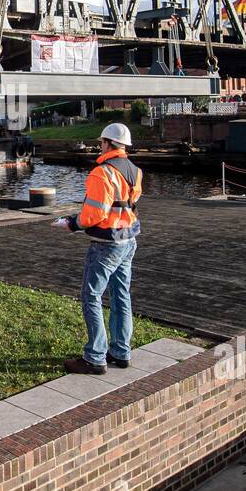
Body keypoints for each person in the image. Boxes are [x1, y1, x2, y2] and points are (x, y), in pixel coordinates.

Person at [53, 122, 143, 375]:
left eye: (101, 142)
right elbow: (125, 204)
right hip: (128, 240)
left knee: (91, 296)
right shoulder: (135, 171)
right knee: (121, 296)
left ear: (106, 143)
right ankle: (121, 352)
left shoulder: (101, 173)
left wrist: (72, 223)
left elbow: (94, 215)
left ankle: (94, 357)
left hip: (106, 244)